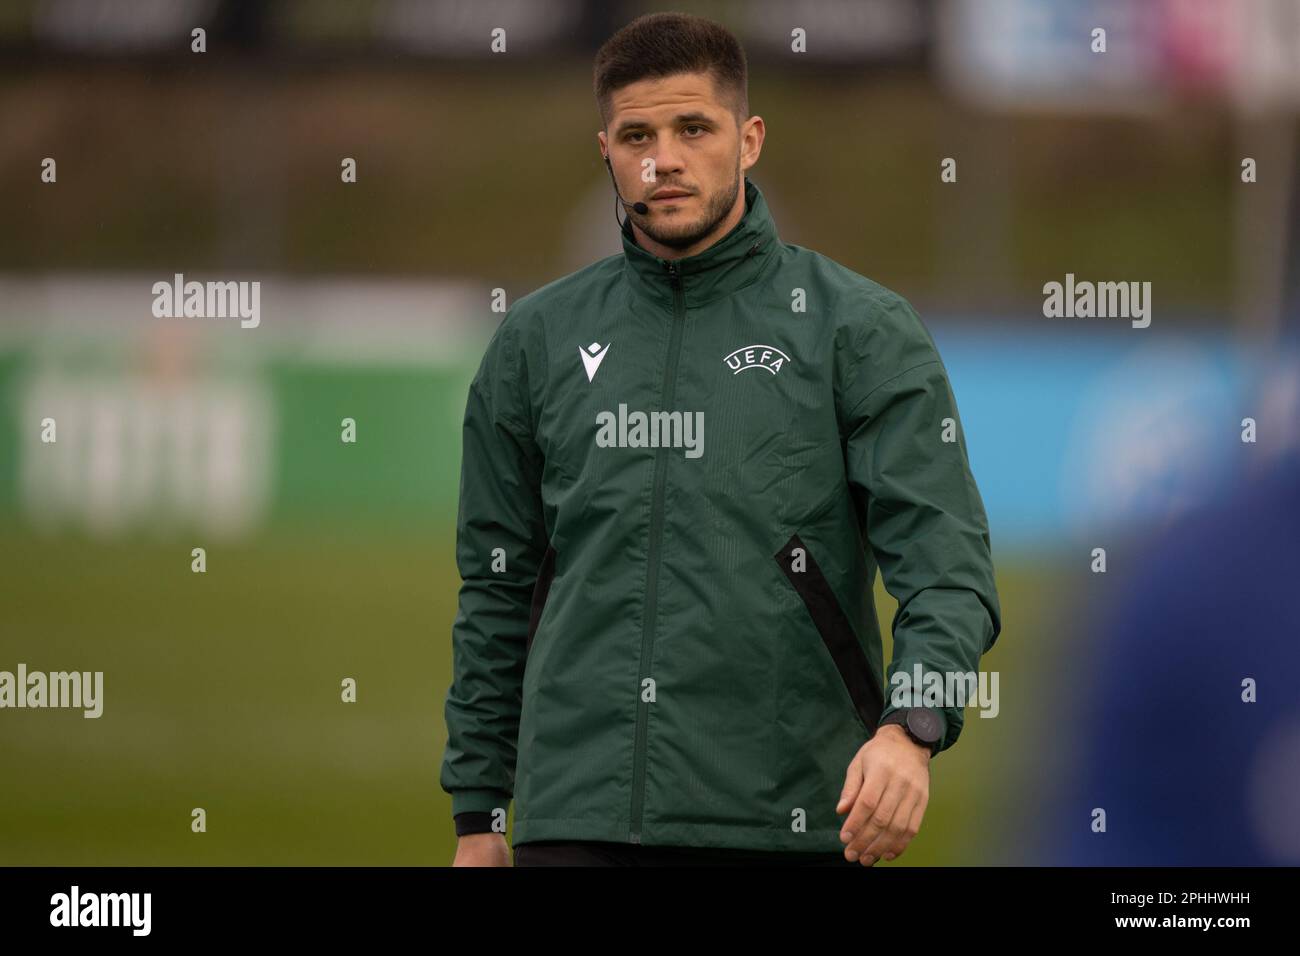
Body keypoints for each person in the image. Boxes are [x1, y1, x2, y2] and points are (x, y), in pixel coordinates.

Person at [440, 11, 1002, 867]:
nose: (663, 159)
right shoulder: (534, 341)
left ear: (749, 139)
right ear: (605, 150)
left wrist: (913, 728)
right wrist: (480, 816)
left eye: (693, 128)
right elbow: (496, 589)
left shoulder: (859, 329)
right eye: (637, 135)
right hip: (575, 821)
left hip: (790, 816)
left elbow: (947, 567)